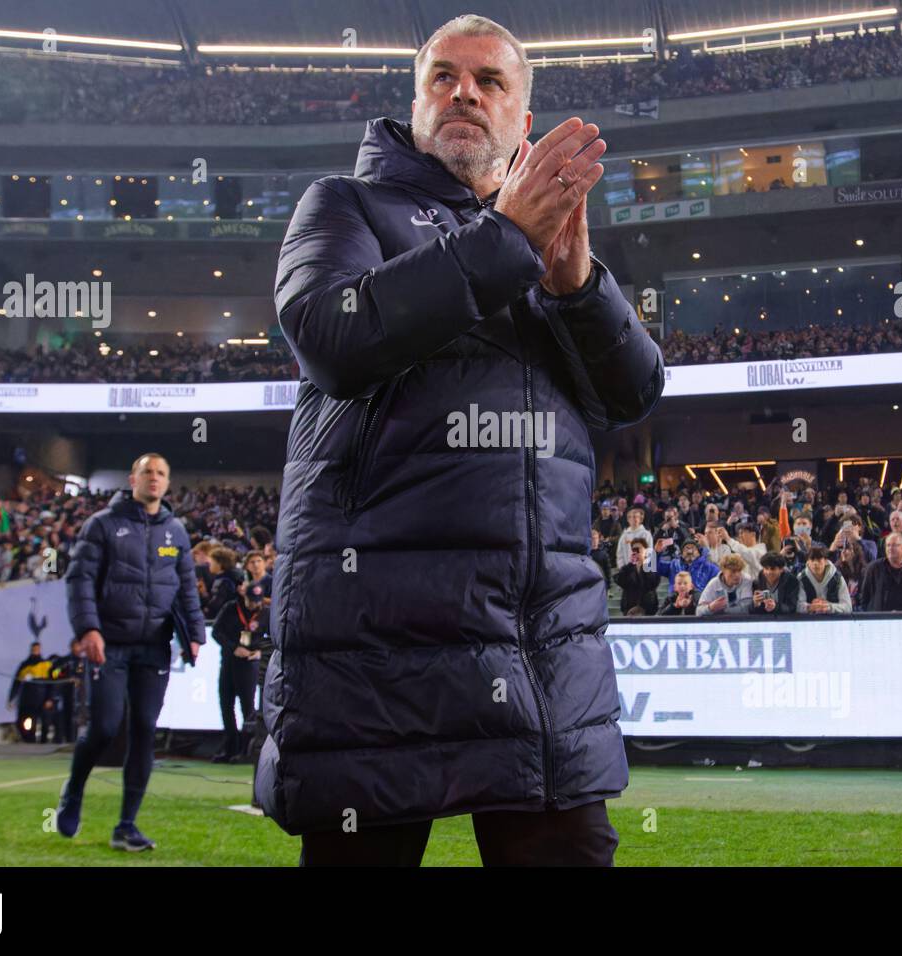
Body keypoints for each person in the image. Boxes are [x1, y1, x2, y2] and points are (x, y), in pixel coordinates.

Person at [261, 14, 664, 866]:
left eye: (490, 82)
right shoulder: (344, 205)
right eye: (443, 77)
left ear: (522, 122)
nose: (464, 93)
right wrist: (506, 239)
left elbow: (635, 392)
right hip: (373, 642)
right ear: (415, 103)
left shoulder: (548, 244)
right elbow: (332, 338)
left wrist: (579, 288)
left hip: (535, 642)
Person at [56, 452, 206, 851]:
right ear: (132, 478)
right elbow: (80, 580)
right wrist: (88, 629)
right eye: (147, 472)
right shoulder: (103, 525)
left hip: (154, 647)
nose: (153, 479)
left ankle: (127, 825)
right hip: (110, 643)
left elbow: (187, 587)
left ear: (167, 483)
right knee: (105, 727)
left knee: (144, 729)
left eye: (160, 473)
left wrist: (194, 634)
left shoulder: (176, 532)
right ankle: (73, 791)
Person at [211, 578, 267, 763]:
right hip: (229, 661)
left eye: (257, 601)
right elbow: (216, 631)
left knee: (248, 708)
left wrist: (259, 651)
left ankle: (246, 750)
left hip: (250, 665)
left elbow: (273, 638)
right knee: (226, 705)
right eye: (251, 600)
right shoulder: (230, 608)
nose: (254, 605)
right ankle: (230, 747)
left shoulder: (265, 613)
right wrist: (233, 647)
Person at [857, 532, 902, 612]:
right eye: (888, 545)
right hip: (879, 620)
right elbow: (864, 598)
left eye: (895, 545)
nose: (890, 548)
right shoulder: (873, 569)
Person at [8, 641, 47, 743]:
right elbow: (16, 683)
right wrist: (11, 699)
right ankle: (28, 741)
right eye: (34, 649)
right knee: (23, 723)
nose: (35, 651)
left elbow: (51, 683)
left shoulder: (45, 664)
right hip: (26, 699)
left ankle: (37, 743)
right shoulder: (24, 665)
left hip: (40, 699)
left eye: (37, 650)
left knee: (38, 723)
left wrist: (49, 698)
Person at [796, 546, 852, 614]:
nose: (815, 563)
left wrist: (829, 607)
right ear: (807, 562)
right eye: (812, 560)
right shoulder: (801, 578)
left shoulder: (837, 578)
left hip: (833, 621)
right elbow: (797, 605)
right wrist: (810, 607)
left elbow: (848, 607)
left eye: (819, 560)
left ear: (826, 561)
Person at [614, 540, 661, 615]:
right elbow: (620, 580)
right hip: (629, 609)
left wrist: (643, 564)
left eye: (638, 549)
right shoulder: (627, 568)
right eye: (633, 550)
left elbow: (653, 583)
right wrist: (631, 563)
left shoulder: (650, 567)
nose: (636, 552)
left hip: (648, 609)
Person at [750, 552, 798, 616]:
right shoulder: (757, 582)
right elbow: (751, 611)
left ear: (781, 569)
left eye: (773, 569)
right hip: (764, 620)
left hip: (784, 621)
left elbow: (792, 607)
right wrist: (755, 604)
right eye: (766, 568)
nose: (768, 572)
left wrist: (775, 607)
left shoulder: (791, 582)